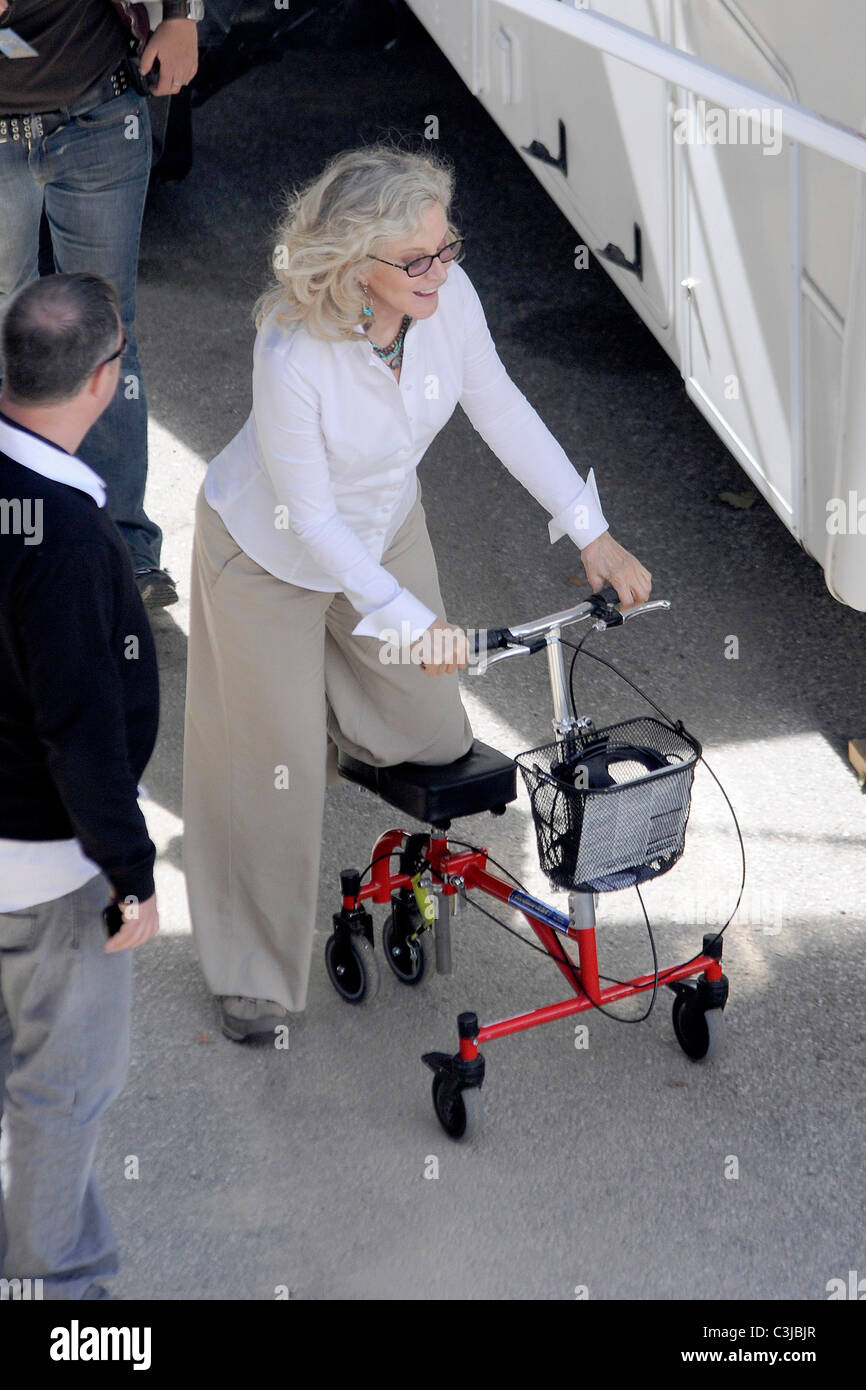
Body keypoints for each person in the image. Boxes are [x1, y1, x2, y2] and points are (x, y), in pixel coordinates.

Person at [183, 144, 651, 1043]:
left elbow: (500, 405)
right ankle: (251, 972)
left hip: (384, 529)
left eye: (447, 247)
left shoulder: (448, 301)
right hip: (269, 554)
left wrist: (590, 529)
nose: (442, 268)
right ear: (358, 266)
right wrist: (407, 618)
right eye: (418, 259)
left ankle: (303, 697)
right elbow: (311, 520)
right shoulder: (290, 349)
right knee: (269, 780)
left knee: (432, 737)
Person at [0, 273, 160, 1299]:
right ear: (102, 382)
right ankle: (59, 1305)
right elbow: (80, 730)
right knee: (61, 1093)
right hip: (44, 867)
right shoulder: (58, 537)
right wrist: (131, 872)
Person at [0, 0, 202, 608]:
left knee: (106, 335)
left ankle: (124, 550)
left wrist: (183, 15)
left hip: (100, 113)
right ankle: (25, 546)